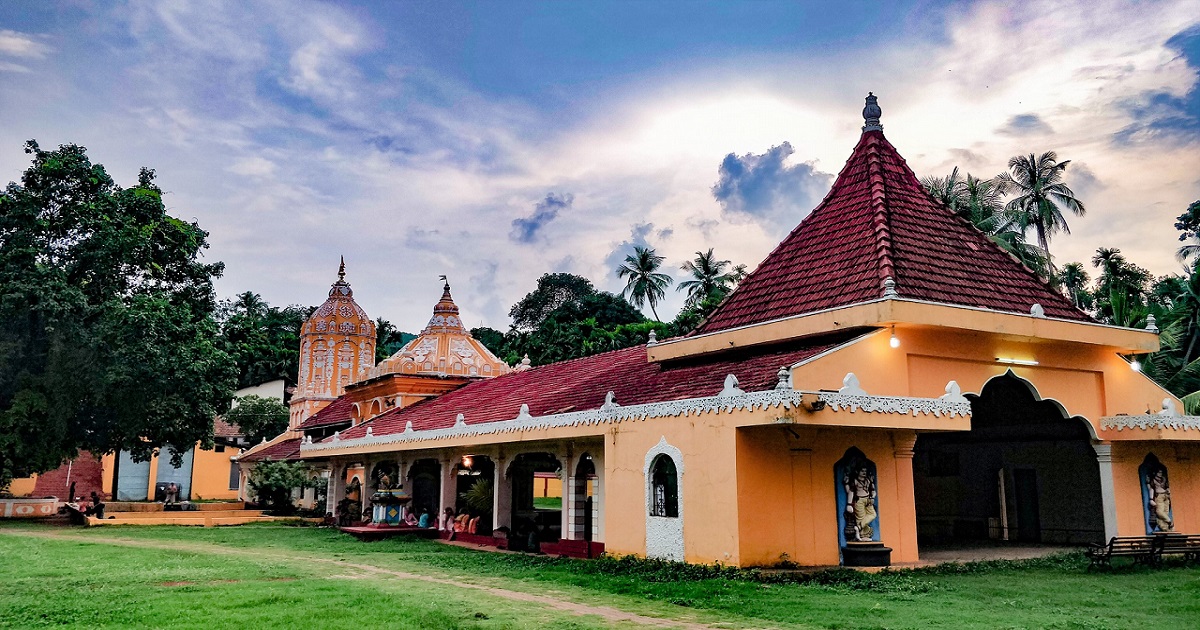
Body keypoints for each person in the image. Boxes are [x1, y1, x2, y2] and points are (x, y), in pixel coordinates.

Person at [843, 462, 877, 542]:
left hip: (868, 500)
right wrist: (849, 504)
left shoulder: (868, 480)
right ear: (857, 472)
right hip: (859, 501)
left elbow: (873, 490)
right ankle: (861, 536)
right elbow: (850, 491)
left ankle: (857, 528)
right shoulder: (855, 481)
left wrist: (872, 497)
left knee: (873, 514)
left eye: (865, 471)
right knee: (860, 518)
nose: (864, 473)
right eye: (862, 471)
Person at [1147, 466, 1173, 532]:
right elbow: (1151, 489)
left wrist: (1168, 491)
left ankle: (1166, 528)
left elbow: (1167, 486)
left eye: (1161, 472)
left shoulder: (1163, 479)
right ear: (1156, 473)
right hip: (1159, 496)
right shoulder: (1153, 480)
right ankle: (1169, 521)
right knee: (1159, 512)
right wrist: (1151, 499)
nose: (1160, 474)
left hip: (1166, 496)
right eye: (1159, 472)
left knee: (1166, 512)